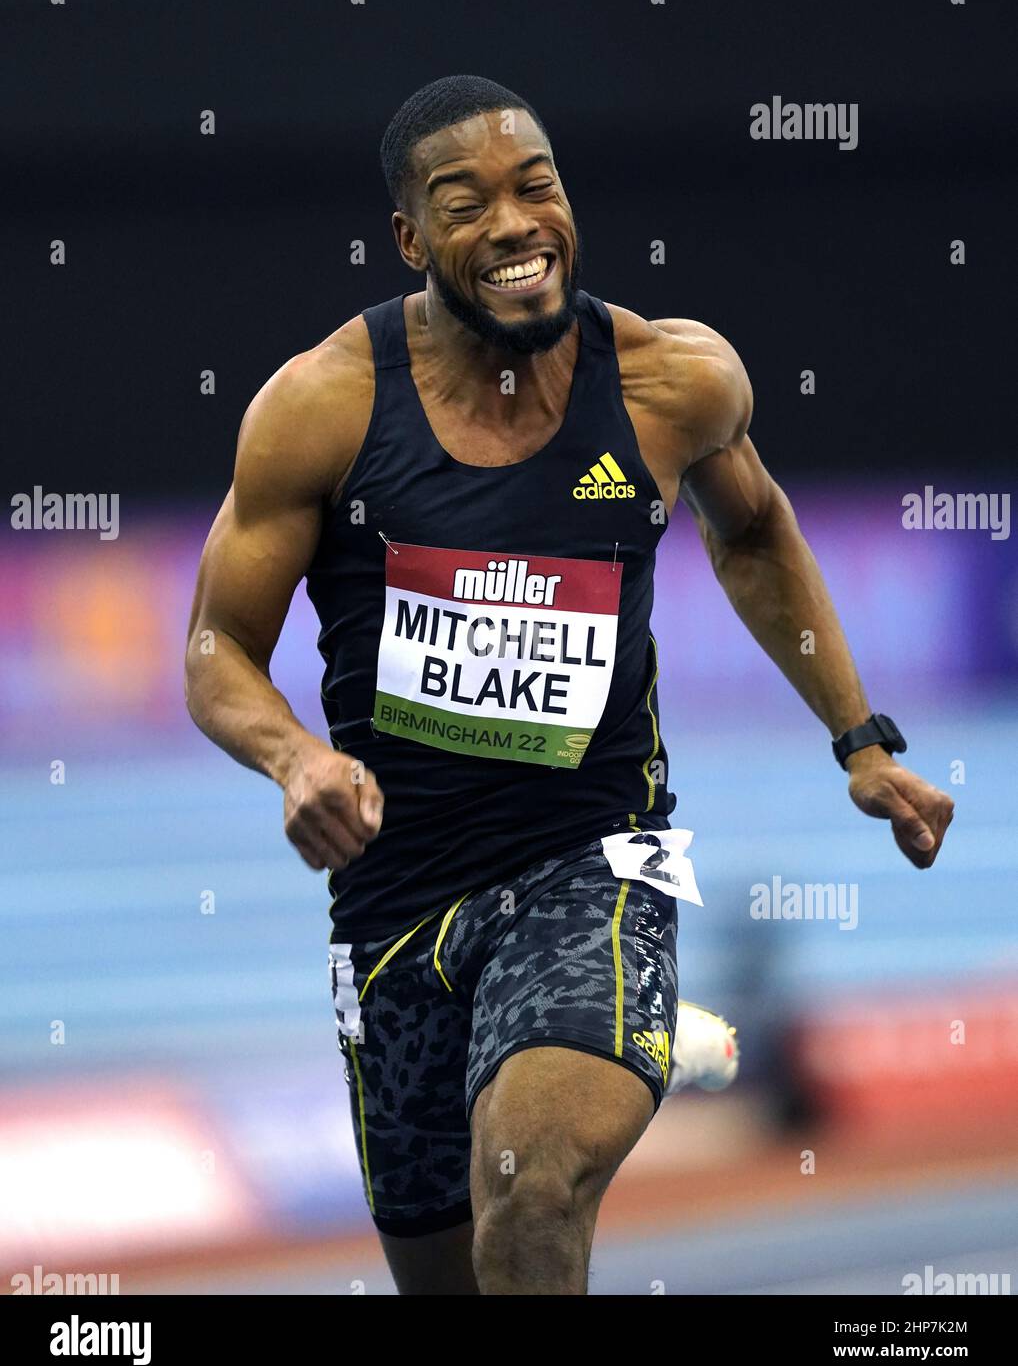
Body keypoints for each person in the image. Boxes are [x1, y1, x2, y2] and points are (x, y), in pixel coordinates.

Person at [184, 74, 954, 1295]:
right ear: (410, 238)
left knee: (530, 1188)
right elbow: (217, 647)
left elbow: (753, 535)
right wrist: (298, 758)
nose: (511, 224)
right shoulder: (322, 407)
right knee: (448, 1268)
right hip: (393, 909)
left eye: (534, 185)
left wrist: (859, 739)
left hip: (590, 867)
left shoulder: (668, 380)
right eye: (464, 202)